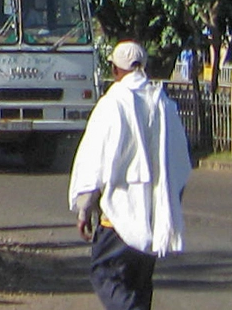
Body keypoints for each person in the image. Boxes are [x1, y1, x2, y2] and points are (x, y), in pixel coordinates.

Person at [69, 42, 192, 310]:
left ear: (115, 69)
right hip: (152, 217)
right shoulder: (165, 105)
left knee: (106, 275)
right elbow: (180, 164)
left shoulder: (111, 105)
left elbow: (95, 162)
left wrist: (84, 209)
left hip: (119, 216)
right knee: (139, 284)